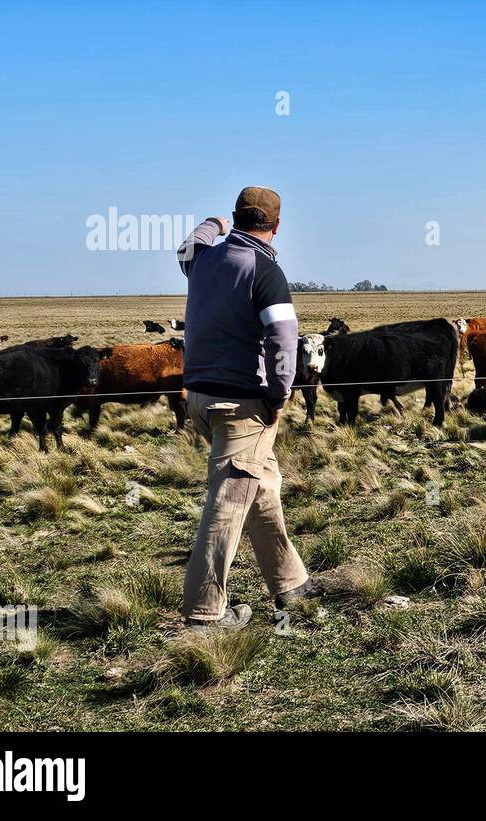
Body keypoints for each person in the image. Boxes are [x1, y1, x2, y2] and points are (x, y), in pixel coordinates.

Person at [175, 186, 320, 630]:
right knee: (229, 498)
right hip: (242, 401)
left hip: (199, 395)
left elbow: (186, 246)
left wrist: (214, 223)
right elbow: (282, 336)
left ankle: (290, 584)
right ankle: (204, 615)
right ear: (276, 226)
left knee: (260, 486)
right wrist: (280, 393)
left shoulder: (203, 261)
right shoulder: (265, 269)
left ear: (237, 219)